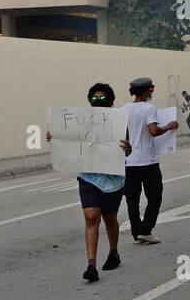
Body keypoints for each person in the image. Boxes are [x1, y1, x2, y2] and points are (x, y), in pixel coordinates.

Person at [45, 83, 132, 282]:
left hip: (112, 180)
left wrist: (128, 148)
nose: (98, 101)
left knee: (110, 218)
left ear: (110, 100)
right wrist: (55, 137)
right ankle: (91, 264)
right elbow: (69, 138)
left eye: (102, 98)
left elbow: (127, 150)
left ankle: (113, 253)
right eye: (94, 98)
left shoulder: (118, 121)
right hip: (89, 177)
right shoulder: (81, 120)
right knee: (92, 217)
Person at [124, 77, 177, 245]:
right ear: (147, 91)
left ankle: (136, 232)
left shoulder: (124, 109)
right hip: (148, 161)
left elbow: (123, 135)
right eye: (151, 90)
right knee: (155, 197)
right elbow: (153, 131)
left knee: (132, 199)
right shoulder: (149, 108)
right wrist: (169, 126)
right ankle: (145, 230)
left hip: (129, 162)